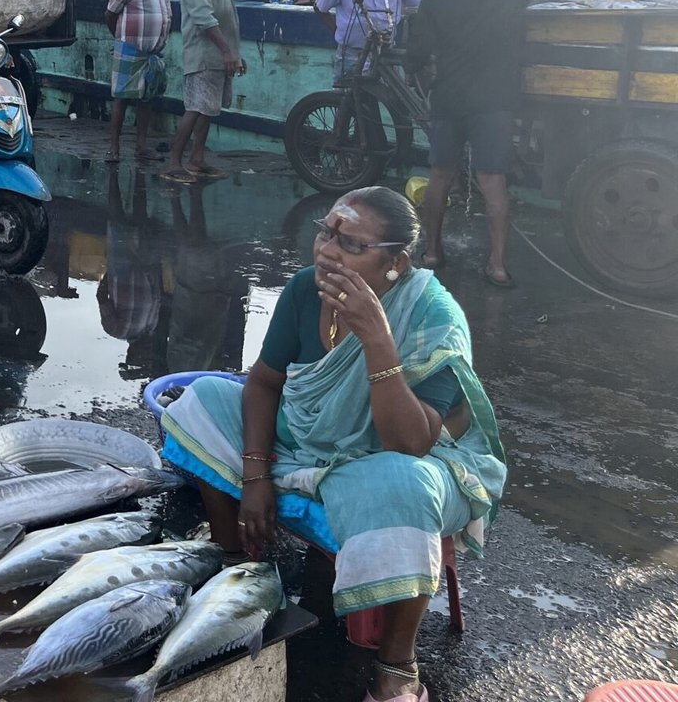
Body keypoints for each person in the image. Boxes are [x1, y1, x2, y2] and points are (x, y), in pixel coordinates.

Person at [161, 187, 505, 702]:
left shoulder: (435, 316)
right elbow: (263, 382)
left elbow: (409, 443)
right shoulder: (306, 288)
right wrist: (254, 477)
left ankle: (396, 664)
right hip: (307, 437)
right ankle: (235, 566)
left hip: (389, 458)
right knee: (203, 400)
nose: (326, 250)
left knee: (405, 485)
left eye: (350, 243)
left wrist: (376, 341)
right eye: (325, 231)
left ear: (396, 262)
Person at [407, 0, 587, 287]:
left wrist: (432, 88)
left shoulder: (433, 1)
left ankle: (431, 252)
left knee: (440, 176)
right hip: (494, 101)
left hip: (449, 99)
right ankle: (498, 265)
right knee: (493, 183)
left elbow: (415, 59)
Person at [165, 0, 244, 184]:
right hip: (203, 55)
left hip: (218, 55)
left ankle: (197, 159)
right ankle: (174, 162)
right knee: (197, 108)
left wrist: (233, 52)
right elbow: (204, 18)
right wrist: (227, 51)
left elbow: (226, 17)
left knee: (209, 109)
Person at [106, 0, 172, 161]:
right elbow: (111, 14)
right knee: (122, 97)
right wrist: (121, 38)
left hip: (152, 51)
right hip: (130, 47)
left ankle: (141, 146)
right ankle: (114, 149)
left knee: (147, 97)